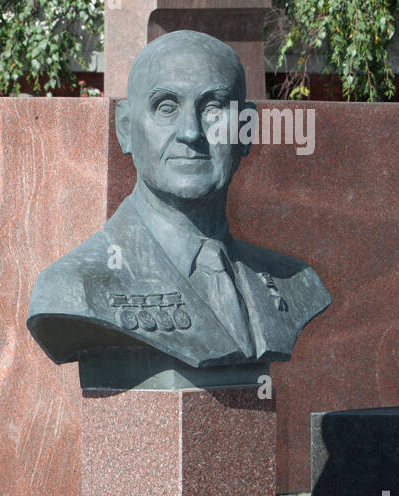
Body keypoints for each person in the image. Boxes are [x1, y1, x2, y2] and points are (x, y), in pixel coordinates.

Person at [27, 30, 330, 373]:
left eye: (213, 107)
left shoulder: (295, 281)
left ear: (246, 129)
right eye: (166, 107)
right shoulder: (76, 285)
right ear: (125, 128)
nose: (191, 133)